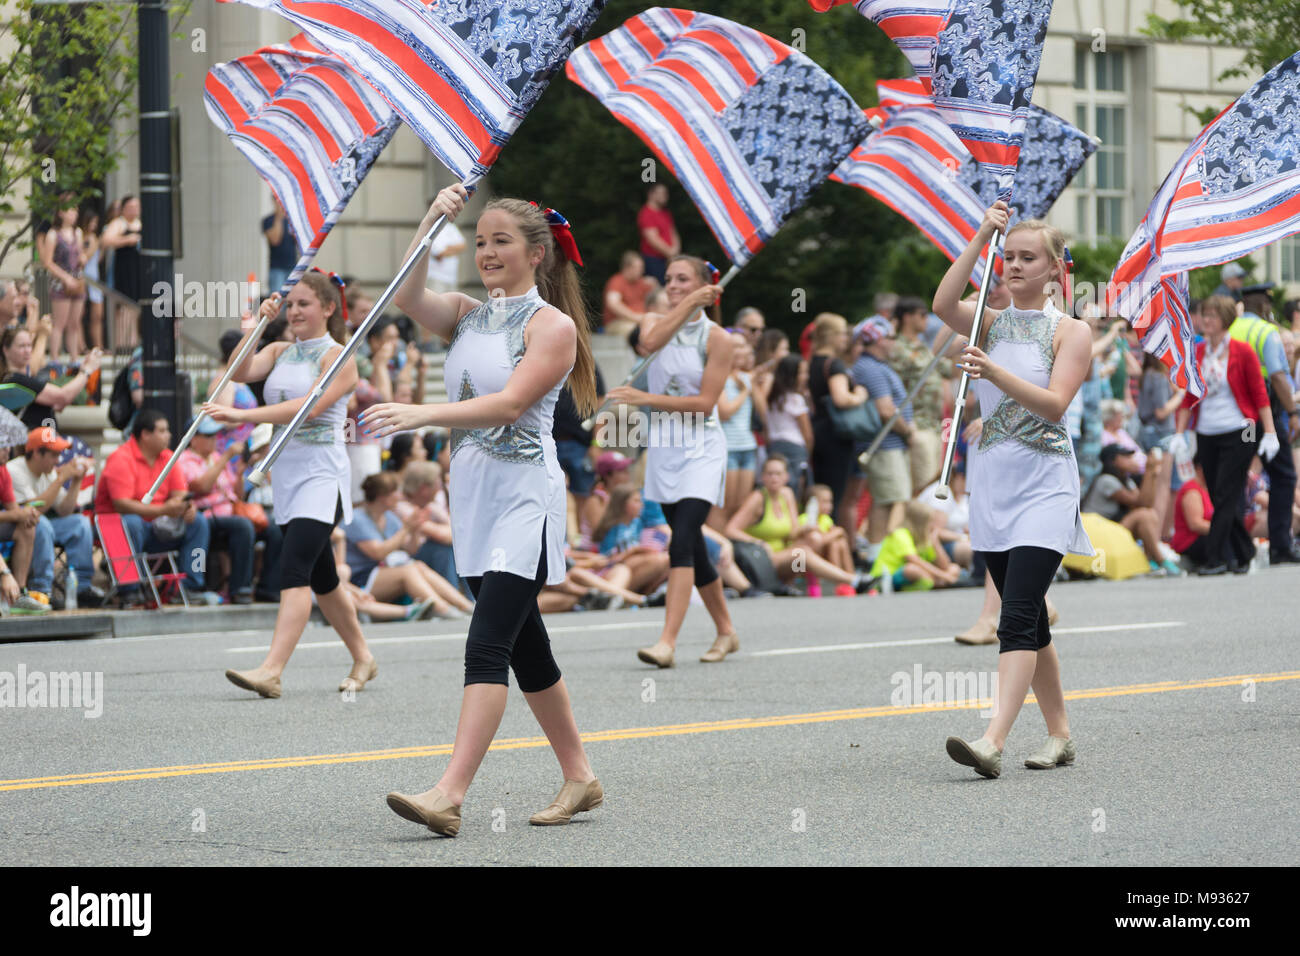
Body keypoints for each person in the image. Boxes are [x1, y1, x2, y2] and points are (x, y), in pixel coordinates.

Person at [366, 185, 602, 835]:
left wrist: (421, 412)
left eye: (501, 241)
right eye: (479, 241)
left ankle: (449, 793)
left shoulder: (550, 327)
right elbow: (407, 297)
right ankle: (580, 776)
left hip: (526, 497)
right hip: (472, 496)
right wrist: (430, 220)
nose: (487, 251)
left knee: (487, 643)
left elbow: (506, 407)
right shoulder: (467, 313)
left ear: (536, 253)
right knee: (529, 647)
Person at [932, 200, 1095, 779]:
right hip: (994, 487)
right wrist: (981, 235)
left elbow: (1053, 406)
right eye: (1009, 258)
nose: (1014, 266)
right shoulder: (992, 321)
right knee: (1033, 621)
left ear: (1055, 268)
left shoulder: (1073, 332)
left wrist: (993, 372)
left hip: (1046, 488)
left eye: (1028, 258)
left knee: (1017, 612)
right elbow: (942, 303)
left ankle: (992, 740)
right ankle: (1060, 736)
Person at [205, 270, 377, 697]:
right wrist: (255, 327)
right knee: (322, 578)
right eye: (291, 304)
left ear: (328, 308)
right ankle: (363, 657)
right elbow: (239, 371)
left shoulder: (339, 356)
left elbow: (309, 409)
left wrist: (244, 418)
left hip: (323, 475)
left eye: (304, 303)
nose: (295, 311)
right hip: (286, 474)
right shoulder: (280, 349)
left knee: (295, 567)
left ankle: (272, 669)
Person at [605, 254, 740, 668]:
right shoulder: (651, 322)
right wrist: (686, 304)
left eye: (684, 279)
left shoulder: (719, 339)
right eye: (669, 279)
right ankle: (726, 631)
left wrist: (644, 399)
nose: (673, 285)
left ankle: (667, 642)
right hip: (664, 449)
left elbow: (703, 404)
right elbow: (649, 343)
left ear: (703, 285)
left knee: (681, 539)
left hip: (701, 448)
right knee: (694, 547)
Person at [1173, 295, 1279, 575]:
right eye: (1204, 315)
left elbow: (1259, 394)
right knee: (1222, 493)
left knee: (1225, 489)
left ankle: (1216, 558)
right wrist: (1180, 432)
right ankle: (1244, 551)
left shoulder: (1242, 351)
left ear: (1225, 320)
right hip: (1208, 430)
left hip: (1242, 429)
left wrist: (1269, 431)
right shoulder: (1197, 352)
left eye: (1211, 316)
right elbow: (1188, 394)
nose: (1205, 320)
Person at [94, 408, 221, 605]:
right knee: (131, 522)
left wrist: (187, 507)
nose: (168, 435)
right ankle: (130, 589)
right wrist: (164, 510)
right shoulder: (121, 458)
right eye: (162, 431)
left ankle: (192, 586)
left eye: (167, 430)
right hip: (121, 528)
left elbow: (181, 495)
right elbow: (122, 505)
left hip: (160, 526)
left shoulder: (168, 457)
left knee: (198, 522)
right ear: (145, 434)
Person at [725, 455, 879, 596]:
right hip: (762, 560)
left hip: (784, 557)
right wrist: (757, 543)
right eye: (770, 474)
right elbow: (730, 530)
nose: (774, 478)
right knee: (802, 553)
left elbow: (793, 532)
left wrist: (808, 529)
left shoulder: (786, 495)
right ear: (762, 477)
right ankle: (851, 580)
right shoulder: (758, 498)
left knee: (818, 539)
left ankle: (802, 583)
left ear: (786, 477)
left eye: (778, 474)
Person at [176, 416, 279, 604]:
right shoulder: (185, 460)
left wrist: (239, 473)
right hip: (205, 517)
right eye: (208, 435)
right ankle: (240, 589)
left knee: (274, 528)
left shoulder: (214, 458)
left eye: (215, 434)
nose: (214, 439)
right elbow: (201, 487)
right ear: (194, 439)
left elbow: (237, 495)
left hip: (231, 512)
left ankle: (268, 588)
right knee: (243, 526)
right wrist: (225, 457)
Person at [1231, 285, 1300, 563]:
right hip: (1265, 416)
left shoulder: (1230, 329)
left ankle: (1234, 547)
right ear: (1264, 306)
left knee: (1237, 477)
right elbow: (1279, 377)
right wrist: (1293, 412)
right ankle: (1280, 547)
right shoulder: (1265, 332)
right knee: (1283, 475)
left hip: (1237, 417)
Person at [343, 472, 469, 619]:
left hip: (382, 572)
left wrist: (415, 529)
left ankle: (466, 606)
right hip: (358, 579)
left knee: (418, 566)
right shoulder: (357, 518)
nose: (399, 496)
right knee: (407, 571)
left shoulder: (389, 517)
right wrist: (406, 529)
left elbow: (411, 550)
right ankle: (442, 609)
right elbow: (377, 553)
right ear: (382, 497)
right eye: (394, 492)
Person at [7, 429, 103, 607]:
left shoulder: (49, 472)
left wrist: (76, 481)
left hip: (46, 525)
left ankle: (81, 587)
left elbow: (64, 511)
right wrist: (60, 480)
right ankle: (42, 589)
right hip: (20, 527)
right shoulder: (14, 470)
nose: (58, 460)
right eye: (54, 455)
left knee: (80, 523)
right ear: (36, 453)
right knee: (41, 524)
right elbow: (33, 510)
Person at [852, 315, 916, 559]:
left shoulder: (875, 366)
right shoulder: (870, 368)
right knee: (892, 499)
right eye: (890, 337)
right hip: (884, 445)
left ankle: (879, 552)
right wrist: (908, 431)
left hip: (890, 445)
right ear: (878, 341)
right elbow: (886, 410)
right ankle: (882, 554)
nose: (894, 342)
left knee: (889, 499)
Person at [808, 312, 870, 535]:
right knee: (833, 495)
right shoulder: (834, 365)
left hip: (818, 430)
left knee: (821, 492)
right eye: (843, 333)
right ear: (832, 336)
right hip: (836, 435)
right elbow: (841, 399)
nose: (846, 338)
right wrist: (861, 395)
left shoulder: (813, 362)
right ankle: (829, 547)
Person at [1081, 444, 1179, 575]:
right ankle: (1160, 560)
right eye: (1126, 457)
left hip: (1112, 530)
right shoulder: (1106, 481)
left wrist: (1153, 474)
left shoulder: (1127, 481)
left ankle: (1150, 560)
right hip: (1096, 535)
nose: (1132, 460)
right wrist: (1149, 471)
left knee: (1149, 515)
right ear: (1113, 461)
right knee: (1143, 515)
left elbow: (1147, 504)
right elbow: (1141, 503)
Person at [890, 295, 952, 491]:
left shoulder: (923, 346)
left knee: (932, 484)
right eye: (922, 314)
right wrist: (908, 429)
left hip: (933, 425)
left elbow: (950, 369)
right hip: (915, 424)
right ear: (907, 317)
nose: (926, 319)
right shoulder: (896, 348)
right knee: (923, 488)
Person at [0, 326, 102, 431]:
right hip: (37, 444)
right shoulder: (16, 380)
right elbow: (63, 396)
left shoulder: (16, 379)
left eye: (29, 345)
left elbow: (58, 404)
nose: (27, 350)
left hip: (47, 440)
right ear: (6, 350)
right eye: (22, 346)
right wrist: (87, 370)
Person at [0, 444, 50, 614]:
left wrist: (26, 514)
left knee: (26, 525)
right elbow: (14, 515)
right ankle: (6, 581)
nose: (7, 451)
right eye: (1, 447)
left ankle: (19, 594)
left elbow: (15, 511)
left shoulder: (3, 471)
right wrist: (4, 574)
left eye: (7, 447)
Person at [869, 499, 961, 592]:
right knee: (912, 569)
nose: (933, 525)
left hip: (921, 575)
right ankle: (936, 583)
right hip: (888, 576)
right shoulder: (900, 534)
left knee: (954, 568)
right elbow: (914, 560)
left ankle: (935, 583)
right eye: (930, 522)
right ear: (919, 523)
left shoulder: (924, 538)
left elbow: (945, 565)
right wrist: (943, 575)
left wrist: (935, 542)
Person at [39, 199, 86, 362]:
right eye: (70, 210)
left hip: (77, 279)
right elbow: (47, 262)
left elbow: (79, 254)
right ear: (61, 212)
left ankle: (74, 358)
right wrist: (65, 277)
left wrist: (83, 257)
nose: (74, 214)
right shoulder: (53, 234)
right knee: (60, 322)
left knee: (74, 323)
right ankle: (55, 358)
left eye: (75, 211)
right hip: (60, 281)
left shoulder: (77, 232)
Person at [719, 332, 757, 526]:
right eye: (735, 346)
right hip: (728, 447)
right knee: (724, 505)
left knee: (740, 506)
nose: (740, 351)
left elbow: (761, 411)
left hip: (747, 446)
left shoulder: (746, 377)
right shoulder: (718, 376)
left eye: (743, 346)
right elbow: (725, 412)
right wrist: (745, 391)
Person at [763, 354, 812, 495]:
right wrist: (807, 453)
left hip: (774, 446)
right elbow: (807, 434)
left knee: (776, 490)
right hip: (795, 449)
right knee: (795, 489)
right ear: (792, 375)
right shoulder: (796, 399)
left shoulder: (772, 399)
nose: (806, 376)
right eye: (802, 372)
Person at [100, 195, 142, 348]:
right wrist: (127, 240)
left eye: (136, 207)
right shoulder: (118, 223)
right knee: (124, 309)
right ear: (124, 209)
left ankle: (132, 345)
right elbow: (106, 240)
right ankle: (122, 346)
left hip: (139, 272)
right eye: (130, 208)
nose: (134, 211)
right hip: (124, 271)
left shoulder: (140, 223)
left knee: (136, 310)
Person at [1171, 449, 1213, 569]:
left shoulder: (1207, 487)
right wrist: (1221, 529)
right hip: (1189, 542)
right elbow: (1195, 524)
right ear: (1200, 467)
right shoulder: (1192, 491)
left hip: (1202, 537)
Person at [601, 251, 657, 337]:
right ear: (627, 267)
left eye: (641, 267)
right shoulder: (617, 281)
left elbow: (658, 300)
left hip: (642, 320)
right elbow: (613, 303)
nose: (642, 271)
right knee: (636, 329)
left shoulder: (643, 282)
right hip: (618, 322)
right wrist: (635, 317)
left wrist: (656, 286)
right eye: (638, 267)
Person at [637, 183, 679, 283]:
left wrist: (675, 251)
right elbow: (653, 239)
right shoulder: (646, 213)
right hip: (654, 260)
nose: (664, 196)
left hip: (669, 259)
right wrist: (670, 253)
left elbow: (673, 232)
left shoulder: (665, 213)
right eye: (660, 193)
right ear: (651, 194)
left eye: (665, 193)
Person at [262, 197, 301, 296]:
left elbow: (299, 243)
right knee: (277, 299)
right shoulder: (268, 221)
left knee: (292, 298)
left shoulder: (291, 220)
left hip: (292, 266)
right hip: (276, 268)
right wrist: (279, 218)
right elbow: (275, 240)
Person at [81, 210, 106, 353]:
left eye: (95, 223)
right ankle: (82, 346)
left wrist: (101, 247)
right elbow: (85, 257)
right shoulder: (83, 238)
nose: (93, 225)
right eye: (91, 222)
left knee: (97, 315)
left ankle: (98, 346)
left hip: (94, 278)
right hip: (83, 277)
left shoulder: (94, 239)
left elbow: (97, 259)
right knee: (80, 314)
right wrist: (95, 244)